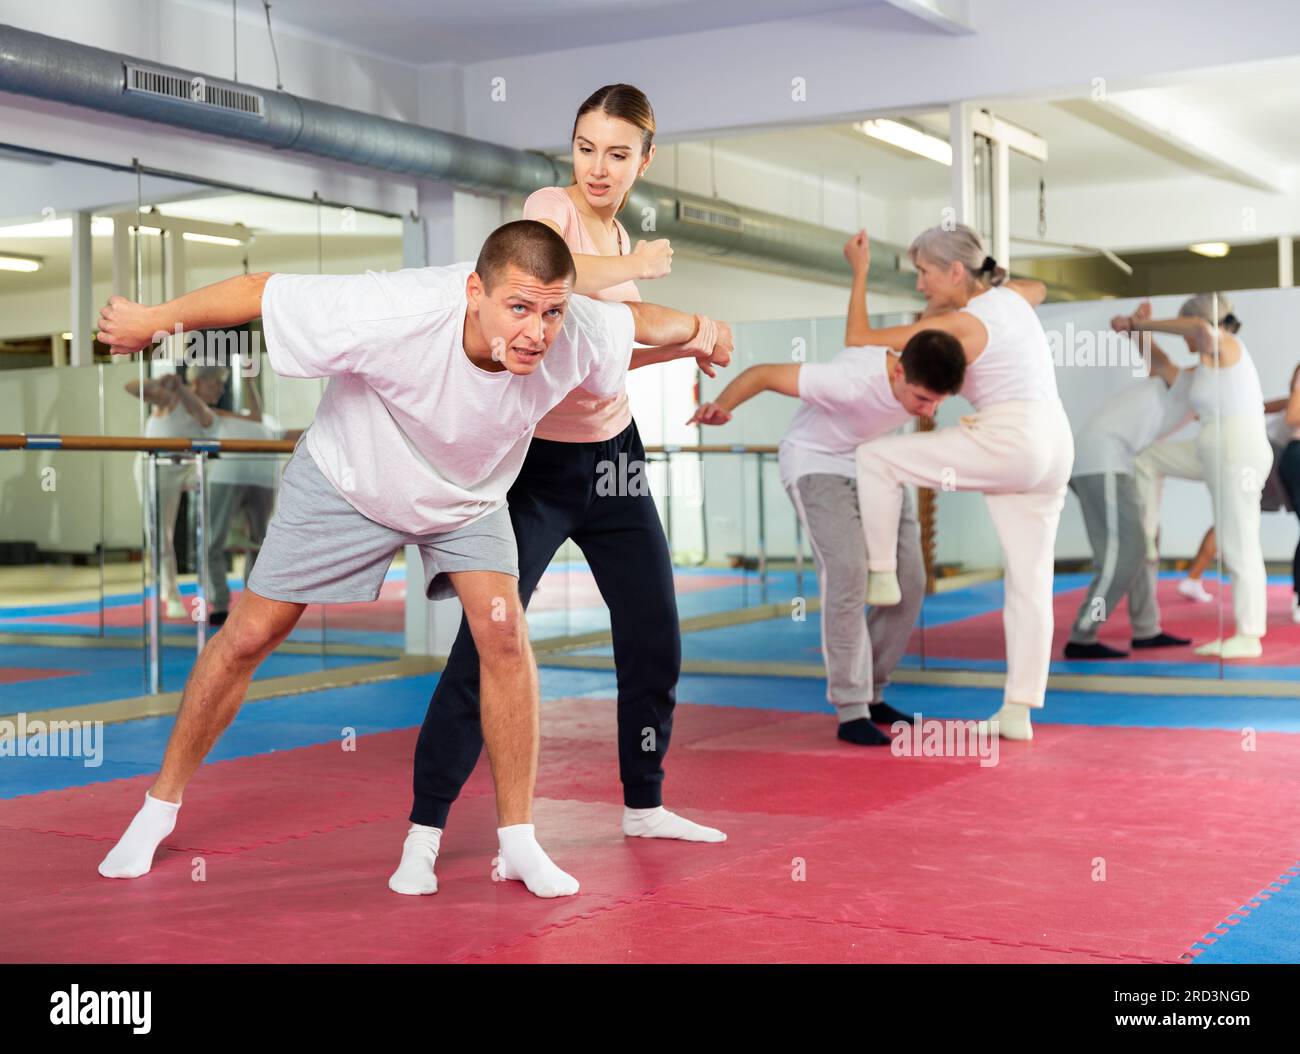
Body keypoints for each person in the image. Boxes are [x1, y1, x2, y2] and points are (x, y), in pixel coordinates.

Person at [93, 219, 730, 900]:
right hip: (351, 478)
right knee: (250, 635)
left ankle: (518, 841)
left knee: (504, 637)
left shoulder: (574, 330)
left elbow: (636, 320)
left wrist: (701, 328)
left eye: (551, 311)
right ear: (473, 292)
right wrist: (154, 321)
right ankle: (157, 809)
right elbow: (262, 289)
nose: (535, 332)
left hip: (465, 498)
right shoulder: (395, 309)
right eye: (517, 307)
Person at [396, 86, 731, 898]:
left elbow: (602, 356)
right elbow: (560, 281)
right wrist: (651, 281)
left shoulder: (614, 231)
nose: (599, 168)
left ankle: (645, 802)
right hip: (538, 467)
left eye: (619, 154)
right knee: (491, 640)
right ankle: (425, 828)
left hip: (614, 457)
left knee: (654, 633)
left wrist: (685, 348)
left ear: (645, 161)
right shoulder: (554, 212)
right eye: (587, 147)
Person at [845, 224, 1074, 742]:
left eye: (925, 273)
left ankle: (882, 573)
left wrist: (859, 272)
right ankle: (1018, 709)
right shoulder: (1012, 298)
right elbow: (1034, 288)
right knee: (1031, 582)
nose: (920, 285)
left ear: (954, 271)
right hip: (1055, 442)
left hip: (1012, 439)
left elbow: (858, 338)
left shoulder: (964, 326)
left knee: (876, 458)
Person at [688, 328, 966, 743]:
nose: (929, 409)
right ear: (898, 373)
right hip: (816, 464)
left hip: (878, 470)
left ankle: (872, 691)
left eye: (939, 401)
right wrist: (722, 406)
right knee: (848, 573)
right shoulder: (850, 381)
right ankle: (852, 707)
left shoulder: (922, 372)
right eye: (923, 399)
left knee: (910, 582)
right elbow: (763, 374)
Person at [1124, 293, 1273, 658]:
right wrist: (1139, 337)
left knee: (1238, 542)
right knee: (1147, 457)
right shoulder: (1205, 367)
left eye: (1186, 331)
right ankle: (1146, 535)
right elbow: (1163, 369)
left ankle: (1249, 635)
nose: (1186, 339)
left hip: (1236, 452)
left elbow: (1196, 328)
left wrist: (1141, 324)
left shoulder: (1229, 346)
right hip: (1212, 450)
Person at [1063, 303, 1195, 659]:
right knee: (1124, 554)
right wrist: (1139, 325)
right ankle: (1083, 634)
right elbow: (1158, 352)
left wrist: (1134, 328)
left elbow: (1255, 406)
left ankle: (1146, 629)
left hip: (1107, 461)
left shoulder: (1190, 391)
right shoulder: (1183, 380)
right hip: (1101, 460)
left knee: (1135, 550)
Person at [125, 367, 223, 619]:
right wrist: (160, 382)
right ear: (198, 382)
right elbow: (131, 388)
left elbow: (202, 414)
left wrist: (181, 388)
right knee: (161, 533)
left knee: (224, 474)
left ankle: (233, 529)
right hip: (158, 468)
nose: (221, 390)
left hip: (189, 467)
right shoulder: (170, 399)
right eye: (216, 384)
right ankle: (170, 593)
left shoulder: (200, 406)